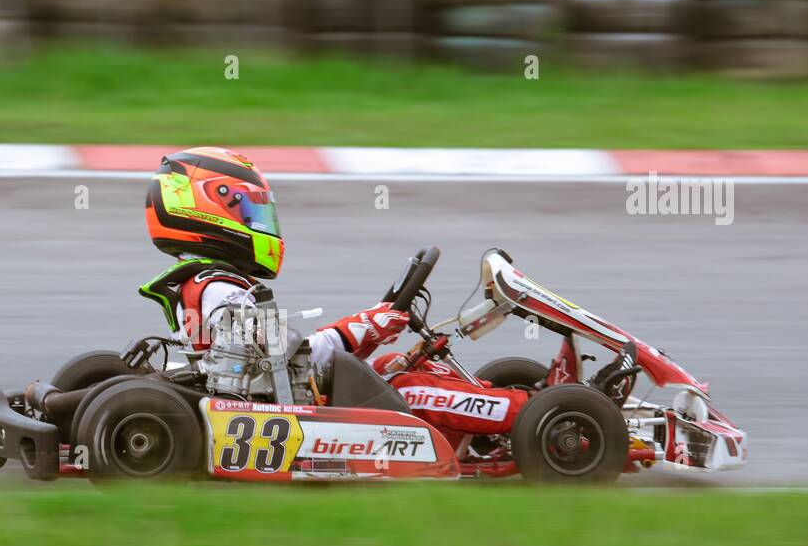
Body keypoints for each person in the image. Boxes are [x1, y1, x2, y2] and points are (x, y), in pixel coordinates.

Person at [140, 146, 528, 440]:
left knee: (395, 366)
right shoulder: (218, 289)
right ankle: (533, 414)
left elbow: (277, 358)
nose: (259, 223)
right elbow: (283, 359)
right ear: (208, 209)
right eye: (249, 212)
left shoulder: (207, 283)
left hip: (283, 394)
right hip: (282, 407)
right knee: (413, 390)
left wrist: (370, 329)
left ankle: (507, 412)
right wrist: (364, 327)